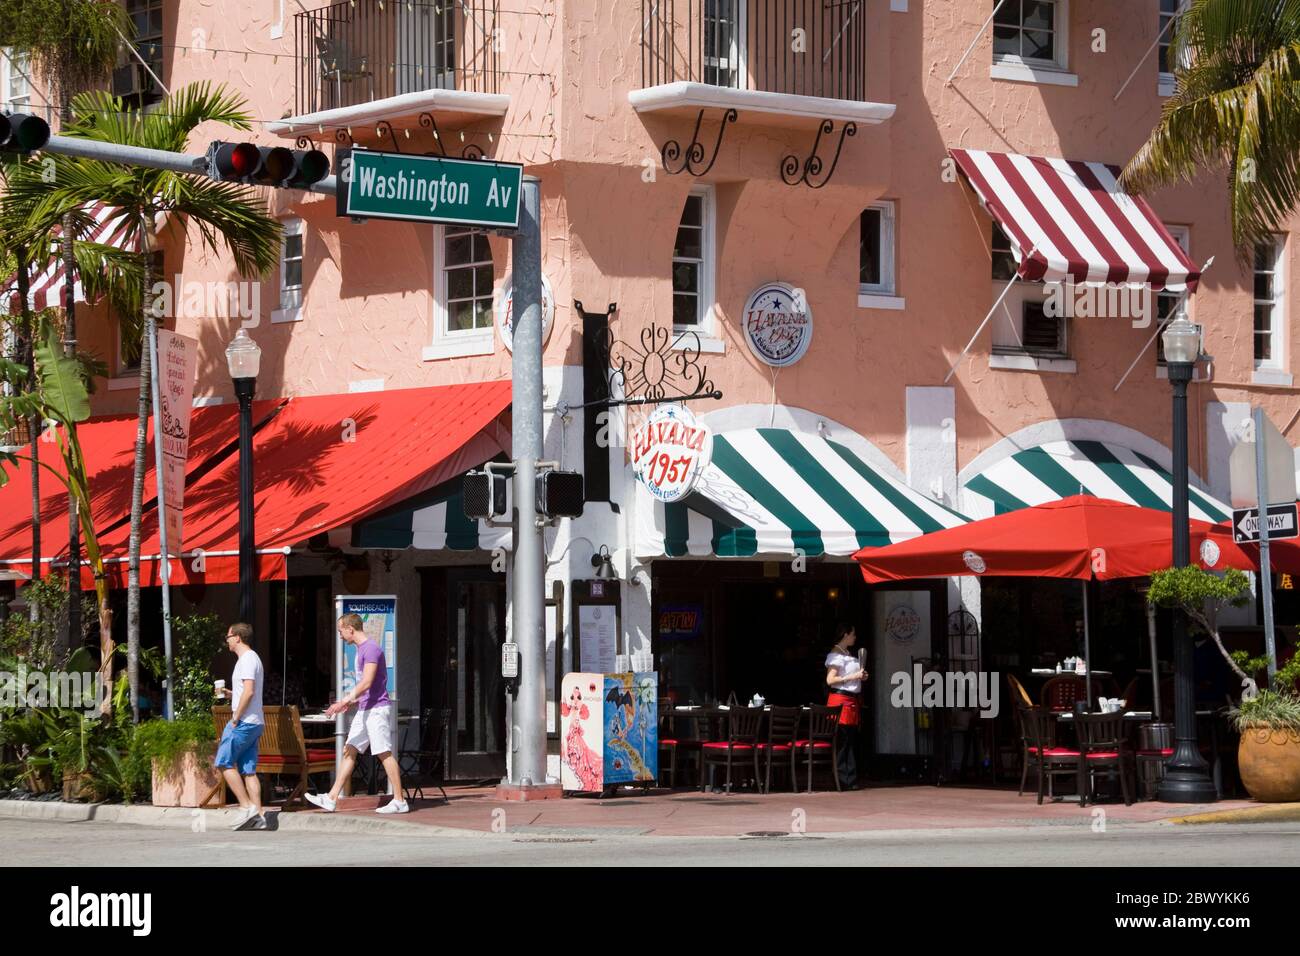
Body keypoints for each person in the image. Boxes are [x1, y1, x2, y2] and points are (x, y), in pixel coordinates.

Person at [305, 614, 409, 814]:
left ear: (350, 629)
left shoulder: (371, 649)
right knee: (349, 750)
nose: (340, 636)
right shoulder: (361, 650)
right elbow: (367, 687)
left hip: (376, 709)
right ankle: (331, 797)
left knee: (383, 752)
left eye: (340, 631)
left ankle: (399, 800)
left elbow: (367, 682)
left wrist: (344, 700)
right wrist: (351, 702)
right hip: (365, 708)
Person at [214, 622, 268, 831]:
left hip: (244, 721)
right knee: (249, 770)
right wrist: (230, 694)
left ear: (237, 637)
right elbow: (245, 691)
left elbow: (249, 691)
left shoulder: (246, 660)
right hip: (255, 722)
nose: (227, 641)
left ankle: (246, 807)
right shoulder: (252, 659)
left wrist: (235, 717)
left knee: (223, 762)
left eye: (228, 637)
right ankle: (259, 814)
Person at [825, 623, 867, 790]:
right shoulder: (835, 654)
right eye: (853, 634)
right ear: (845, 635)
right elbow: (830, 680)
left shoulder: (847, 653)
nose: (855, 637)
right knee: (842, 741)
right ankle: (843, 779)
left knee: (849, 740)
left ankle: (850, 778)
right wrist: (853, 676)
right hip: (841, 700)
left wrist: (859, 677)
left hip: (851, 700)